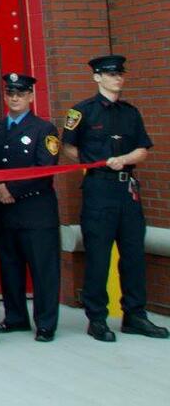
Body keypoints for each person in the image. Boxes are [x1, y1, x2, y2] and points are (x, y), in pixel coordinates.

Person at [61, 54, 168, 341]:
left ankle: (135, 315)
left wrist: (124, 159)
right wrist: (92, 161)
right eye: (110, 74)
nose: (116, 78)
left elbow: (143, 149)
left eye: (119, 74)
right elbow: (68, 148)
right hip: (98, 189)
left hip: (127, 190)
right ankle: (97, 319)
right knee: (98, 257)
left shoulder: (130, 112)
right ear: (97, 77)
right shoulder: (81, 112)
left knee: (133, 255)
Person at [0, 72, 60, 342]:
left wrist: (12, 189)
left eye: (21, 93)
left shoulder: (44, 129)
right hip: (4, 211)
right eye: (10, 93)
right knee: (10, 267)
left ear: (31, 96)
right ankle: (15, 317)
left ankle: (45, 323)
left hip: (36, 212)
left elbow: (45, 169)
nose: (15, 98)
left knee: (43, 271)